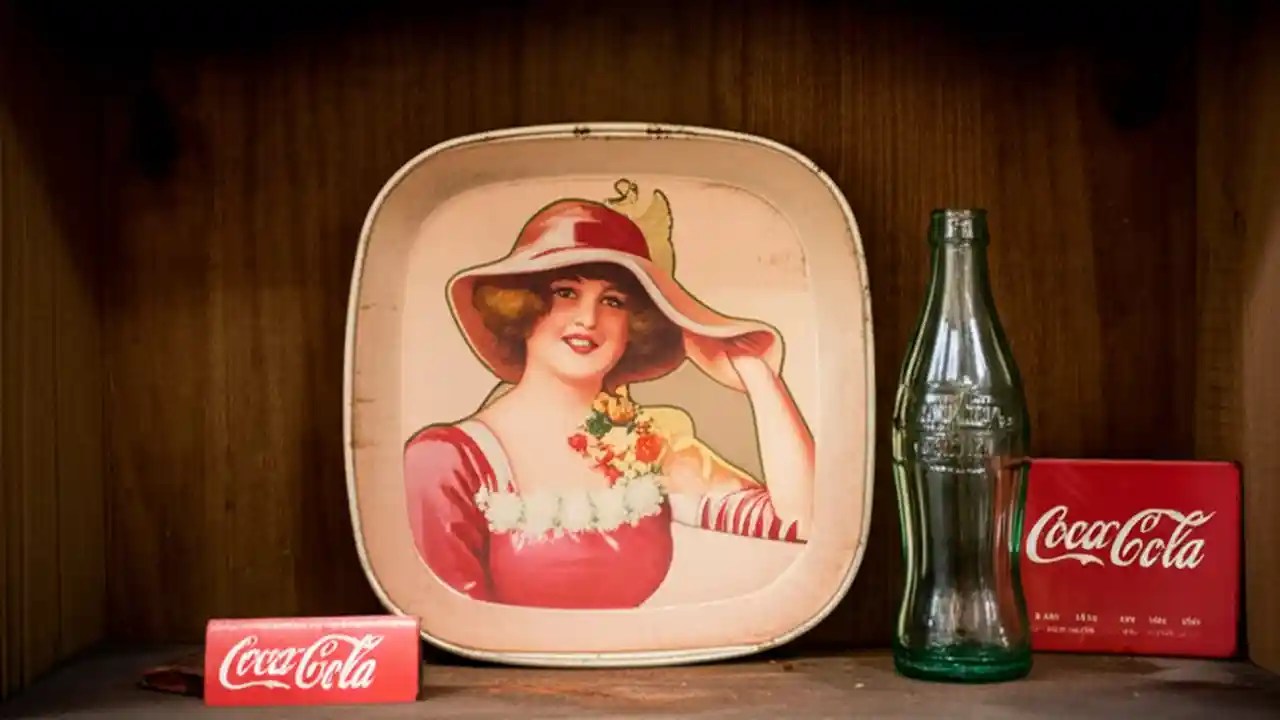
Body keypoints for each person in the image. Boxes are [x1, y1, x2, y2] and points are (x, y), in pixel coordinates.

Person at [403, 179, 815, 609]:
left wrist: (759, 378)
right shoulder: (447, 460)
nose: (588, 318)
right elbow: (452, 623)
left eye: (613, 301)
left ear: (635, 325)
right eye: (566, 293)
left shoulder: (651, 444)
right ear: (520, 305)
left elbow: (801, 522)